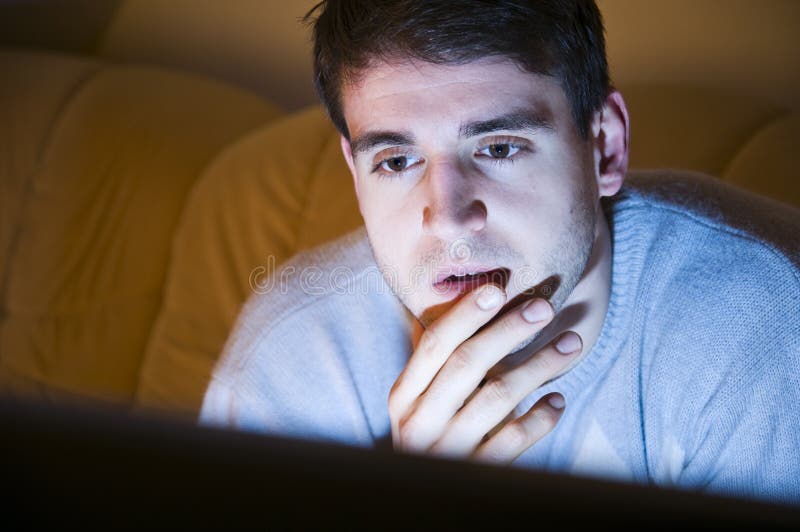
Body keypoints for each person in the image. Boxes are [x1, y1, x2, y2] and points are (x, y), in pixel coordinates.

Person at [199, 0, 800, 506]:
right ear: (357, 177)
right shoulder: (291, 357)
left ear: (605, 147)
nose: (451, 217)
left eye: (500, 147)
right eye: (397, 161)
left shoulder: (761, 328)